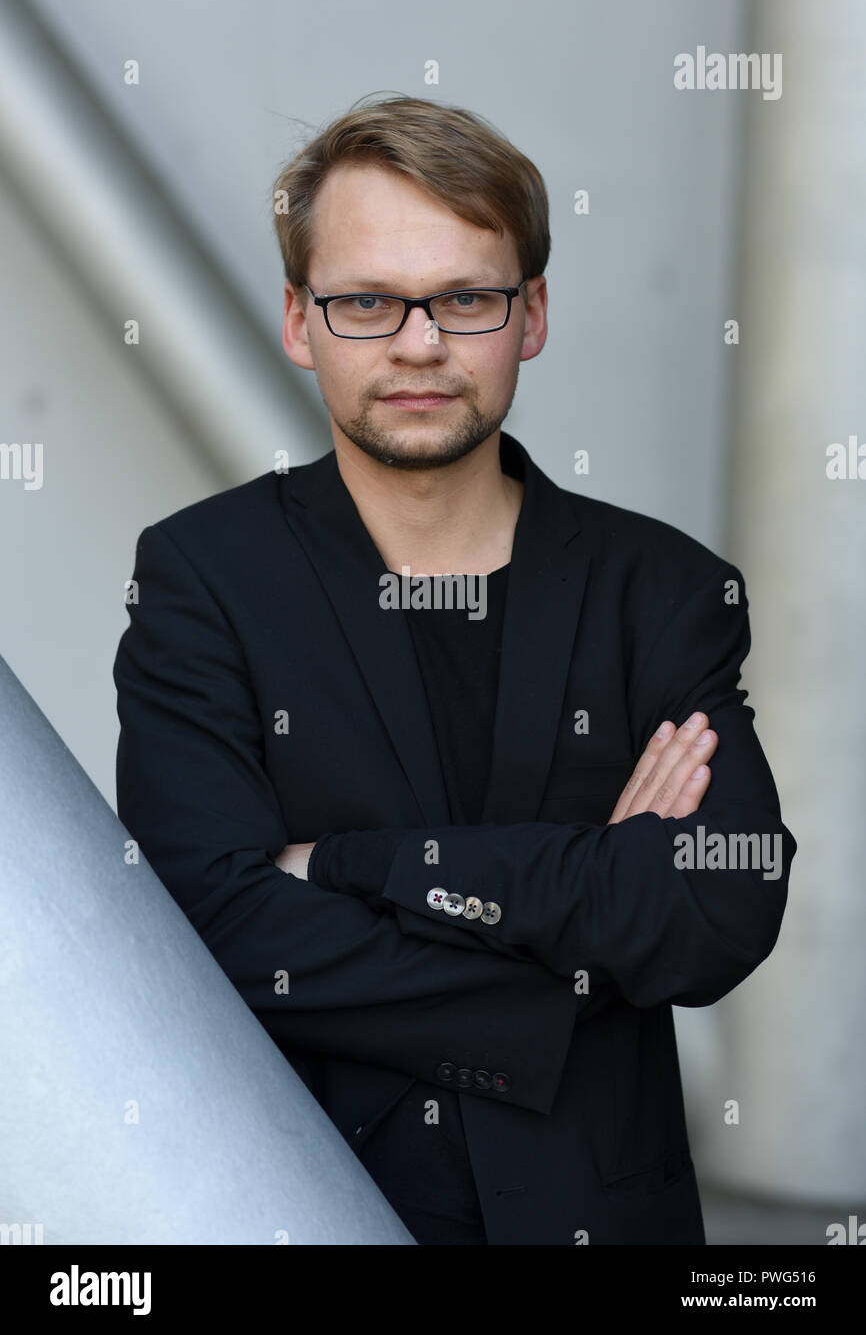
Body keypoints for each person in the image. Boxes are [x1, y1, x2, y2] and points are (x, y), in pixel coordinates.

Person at [113, 95, 795, 1246]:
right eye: (367, 302)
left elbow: (716, 904)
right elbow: (211, 921)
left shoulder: (661, 589)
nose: (419, 344)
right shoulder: (202, 578)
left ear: (528, 315)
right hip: (307, 1208)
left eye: (464, 299)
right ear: (298, 319)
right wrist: (573, 934)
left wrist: (346, 865)